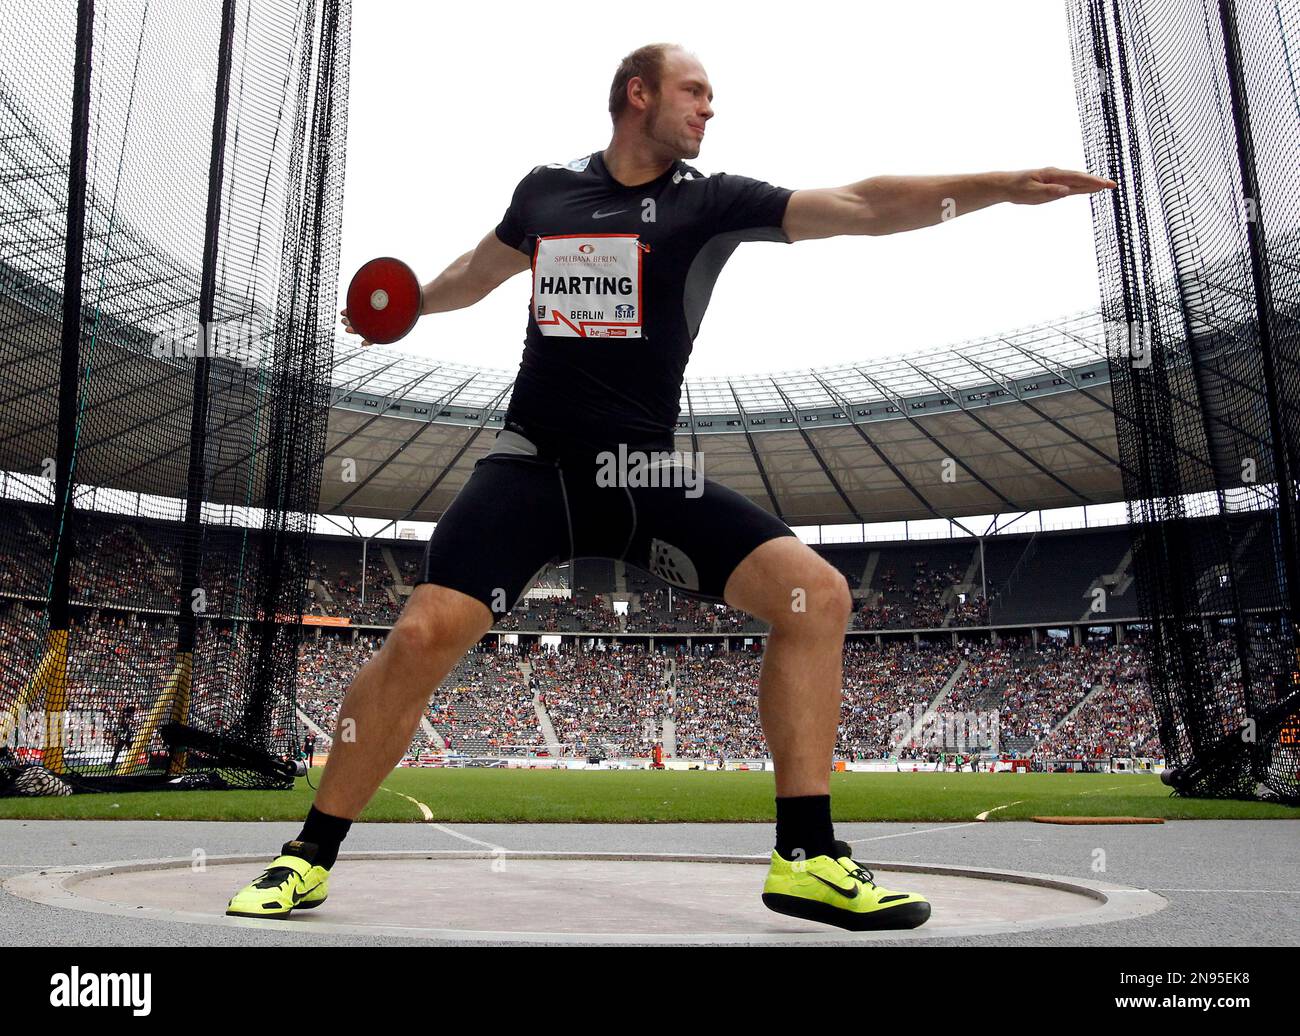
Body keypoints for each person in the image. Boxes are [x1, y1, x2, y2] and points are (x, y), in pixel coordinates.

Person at [226, 42, 1113, 931]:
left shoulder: (710, 201)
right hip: (533, 468)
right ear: (637, 94)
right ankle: (306, 858)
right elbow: (480, 270)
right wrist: (416, 300)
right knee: (422, 633)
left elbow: (860, 204)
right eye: (695, 92)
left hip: (644, 474)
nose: (710, 109)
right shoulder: (545, 190)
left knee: (815, 595)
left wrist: (995, 185)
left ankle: (807, 857)